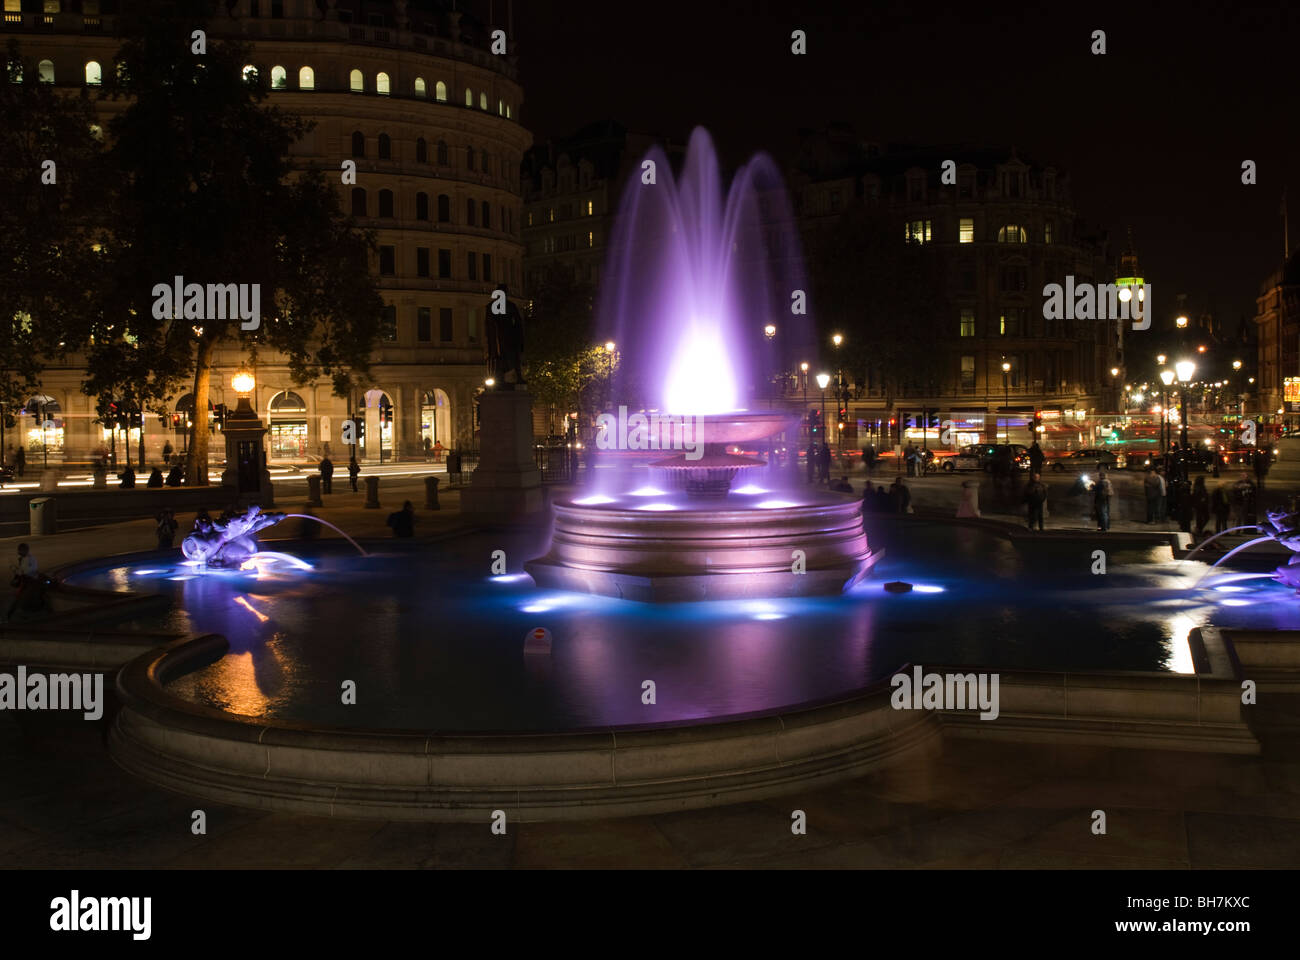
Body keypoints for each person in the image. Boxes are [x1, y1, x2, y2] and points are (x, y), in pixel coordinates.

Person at [6, 543, 40, 621]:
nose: (19, 552)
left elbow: (25, 572)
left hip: (29, 581)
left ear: (25, 550)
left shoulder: (29, 559)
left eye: (20, 550)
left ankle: (13, 614)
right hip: (27, 580)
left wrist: (15, 570)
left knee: (19, 597)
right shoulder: (26, 558)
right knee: (20, 596)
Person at [1093, 467, 1114, 532]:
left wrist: (1092, 485)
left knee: (1102, 513)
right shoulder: (1108, 481)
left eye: (1100, 475)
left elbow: (1095, 489)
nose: (1099, 476)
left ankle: (1103, 527)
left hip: (1101, 498)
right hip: (1107, 498)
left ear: (1101, 476)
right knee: (1106, 512)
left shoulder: (1101, 482)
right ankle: (1106, 526)